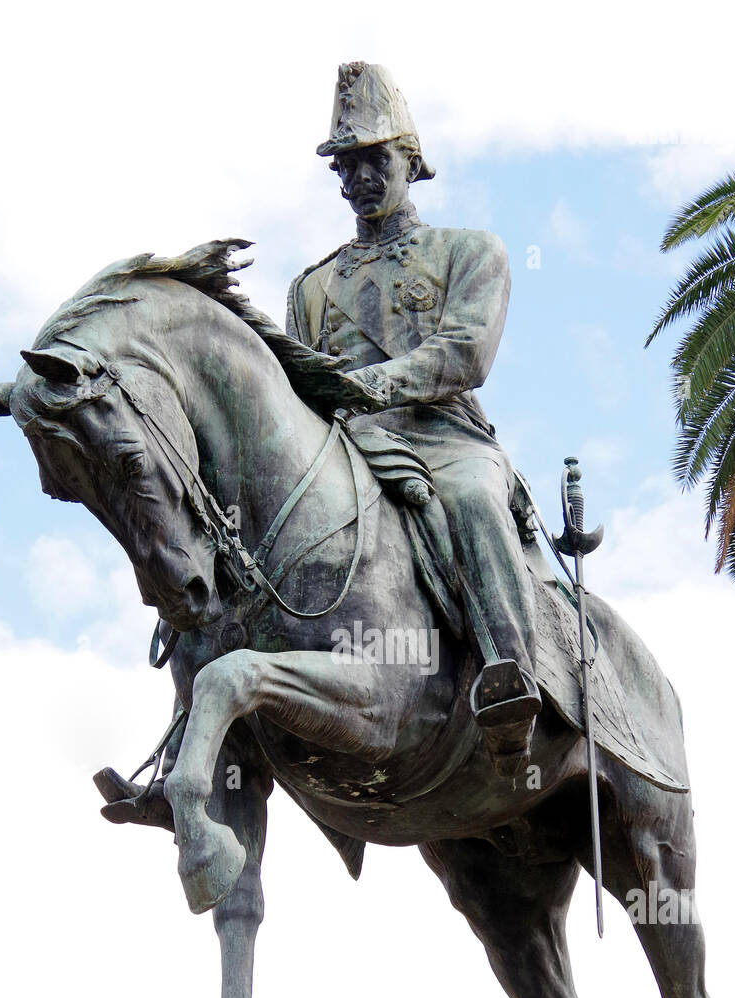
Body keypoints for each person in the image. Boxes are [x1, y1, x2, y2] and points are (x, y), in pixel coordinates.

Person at [286, 61, 541, 775]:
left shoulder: (468, 252)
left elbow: (463, 354)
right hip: (347, 449)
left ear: (411, 160)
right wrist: (359, 431)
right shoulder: (310, 287)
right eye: (346, 164)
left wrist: (369, 392)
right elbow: (299, 392)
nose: (358, 178)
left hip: (446, 440)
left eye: (375, 159)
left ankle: (507, 673)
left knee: (468, 499)